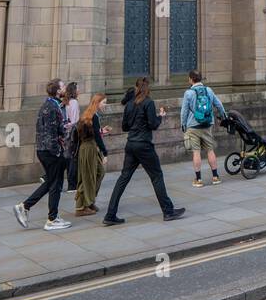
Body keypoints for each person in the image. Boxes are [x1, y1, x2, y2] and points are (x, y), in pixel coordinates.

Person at [103, 78, 185, 225]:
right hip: (144, 145)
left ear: (136, 88)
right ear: (147, 89)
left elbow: (125, 127)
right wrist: (161, 117)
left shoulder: (129, 104)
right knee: (156, 176)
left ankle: (110, 214)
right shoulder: (148, 102)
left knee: (123, 178)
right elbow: (153, 124)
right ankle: (168, 211)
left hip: (131, 144)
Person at [14, 80, 71, 231]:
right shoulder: (52, 107)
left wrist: (64, 128)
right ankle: (50, 219)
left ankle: (28, 208)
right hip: (50, 151)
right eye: (63, 86)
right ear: (58, 91)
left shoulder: (51, 105)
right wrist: (58, 151)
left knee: (52, 182)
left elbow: (54, 129)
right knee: (55, 184)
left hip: (45, 150)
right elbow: (51, 132)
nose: (66, 88)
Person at [179, 70, 225, 187]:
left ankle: (198, 180)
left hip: (193, 126)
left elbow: (184, 111)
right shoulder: (208, 90)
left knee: (196, 152)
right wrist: (224, 115)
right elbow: (218, 104)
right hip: (207, 124)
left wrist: (183, 124)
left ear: (191, 79)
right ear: (200, 78)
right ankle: (215, 177)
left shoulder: (188, 93)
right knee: (210, 150)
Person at [73, 94, 111, 216]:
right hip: (89, 148)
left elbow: (92, 133)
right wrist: (105, 153)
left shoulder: (90, 115)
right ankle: (80, 207)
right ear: (97, 103)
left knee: (99, 173)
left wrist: (100, 131)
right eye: (104, 102)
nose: (105, 105)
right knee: (87, 177)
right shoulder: (92, 116)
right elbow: (96, 138)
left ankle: (89, 201)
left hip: (89, 147)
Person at [63, 82, 81, 192]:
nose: (79, 90)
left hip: (66, 134)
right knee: (73, 159)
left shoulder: (66, 102)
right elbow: (74, 121)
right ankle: (72, 185)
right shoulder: (74, 102)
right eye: (78, 89)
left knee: (68, 158)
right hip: (72, 134)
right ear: (74, 90)